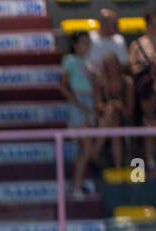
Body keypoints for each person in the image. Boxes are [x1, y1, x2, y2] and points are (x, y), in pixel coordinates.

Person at [62, 33, 97, 198]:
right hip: (79, 102)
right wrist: (78, 104)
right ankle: (76, 186)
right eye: (83, 43)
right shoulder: (70, 60)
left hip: (88, 101)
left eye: (88, 43)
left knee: (84, 150)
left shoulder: (88, 63)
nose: (87, 46)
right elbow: (63, 86)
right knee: (88, 148)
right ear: (75, 45)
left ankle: (77, 184)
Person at [93, 53, 134, 169]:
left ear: (118, 65)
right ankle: (118, 166)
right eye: (107, 66)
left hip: (124, 116)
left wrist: (119, 105)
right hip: (105, 117)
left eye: (113, 65)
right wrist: (109, 105)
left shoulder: (127, 82)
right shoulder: (100, 82)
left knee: (112, 115)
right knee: (113, 121)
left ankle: (96, 149)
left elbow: (129, 110)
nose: (111, 68)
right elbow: (98, 106)